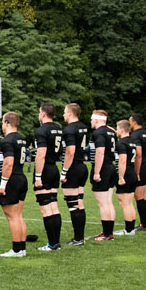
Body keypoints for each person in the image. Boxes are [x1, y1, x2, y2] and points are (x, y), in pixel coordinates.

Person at [34, 103, 65, 251]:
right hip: (54, 168)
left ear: (43, 114)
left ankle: (52, 244)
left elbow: (41, 155)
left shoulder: (42, 130)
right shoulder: (58, 129)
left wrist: (38, 176)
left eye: (39, 112)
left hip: (45, 170)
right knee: (54, 207)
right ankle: (55, 243)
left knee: (46, 209)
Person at [0, 112, 28, 257]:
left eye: (2, 122)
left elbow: (8, 163)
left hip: (12, 179)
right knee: (18, 215)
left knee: (12, 216)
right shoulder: (21, 139)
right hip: (21, 177)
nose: (2, 125)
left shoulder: (7, 140)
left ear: (7, 122)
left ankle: (16, 249)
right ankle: (21, 248)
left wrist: (3, 184)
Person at [59, 103, 89, 246]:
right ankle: (79, 238)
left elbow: (70, 152)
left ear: (70, 113)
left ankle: (78, 239)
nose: (63, 115)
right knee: (79, 203)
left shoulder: (69, 129)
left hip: (73, 168)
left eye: (65, 112)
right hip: (82, 166)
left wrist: (64, 172)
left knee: (73, 204)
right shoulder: (83, 127)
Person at [89, 110, 118, 241]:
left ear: (96, 120)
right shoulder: (111, 132)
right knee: (108, 202)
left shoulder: (98, 133)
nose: (91, 122)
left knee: (103, 203)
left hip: (103, 168)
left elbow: (100, 152)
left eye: (92, 119)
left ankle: (106, 233)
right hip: (111, 167)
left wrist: (96, 172)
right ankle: (109, 232)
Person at [114, 120, 139, 236]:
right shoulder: (132, 142)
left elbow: (122, 161)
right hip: (132, 172)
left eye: (117, 128)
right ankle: (131, 228)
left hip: (126, 174)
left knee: (125, 203)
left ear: (122, 129)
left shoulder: (121, 143)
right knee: (129, 203)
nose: (116, 131)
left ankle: (128, 230)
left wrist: (120, 177)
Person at [129, 113, 146, 231]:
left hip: (141, 165)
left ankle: (144, 224)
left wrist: (137, 172)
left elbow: (138, 155)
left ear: (134, 121)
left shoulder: (135, 135)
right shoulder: (145, 133)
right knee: (144, 196)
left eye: (130, 121)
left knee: (139, 196)